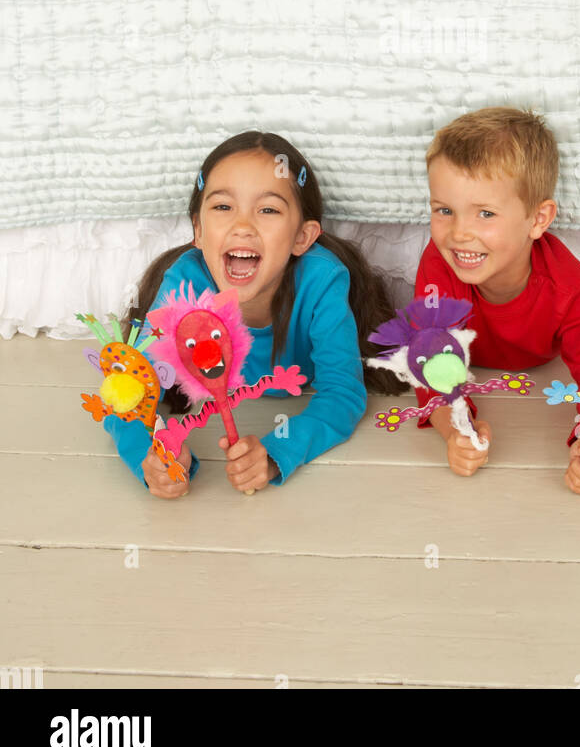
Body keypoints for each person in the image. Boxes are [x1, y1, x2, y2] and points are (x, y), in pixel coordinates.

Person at [105, 131, 399, 497]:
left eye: (268, 210)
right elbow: (128, 392)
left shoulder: (323, 280)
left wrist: (280, 450)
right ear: (198, 230)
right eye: (223, 207)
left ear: (302, 238)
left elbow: (343, 394)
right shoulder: (185, 285)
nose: (242, 226)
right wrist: (150, 454)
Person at [413, 107, 580, 495]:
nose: (460, 233)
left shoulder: (574, 291)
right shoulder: (438, 264)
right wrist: (456, 429)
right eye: (444, 210)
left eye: (485, 213)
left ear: (537, 219)